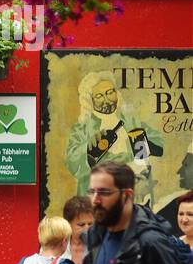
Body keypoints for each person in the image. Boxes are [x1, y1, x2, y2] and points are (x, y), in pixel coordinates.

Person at [83, 161, 193, 264]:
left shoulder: (151, 244)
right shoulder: (94, 238)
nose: (95, 200)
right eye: (91, 191)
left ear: (127, 195)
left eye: (104, 192)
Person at [66, 71, 164, 206]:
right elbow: (73, 163)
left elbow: (157, 147)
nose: (107, 99)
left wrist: (138, 139)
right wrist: (89, 147)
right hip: (99, 200)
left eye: (110, 92)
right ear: (89, 100)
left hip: (135, 195)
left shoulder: (130, 120)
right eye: (99, 96)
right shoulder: (83, 127)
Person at [62, 195, 93, 264]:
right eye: (81, 224)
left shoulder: (99, 246)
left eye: (90, 224)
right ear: (68, 224)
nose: (87, 228)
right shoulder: (57, 245)